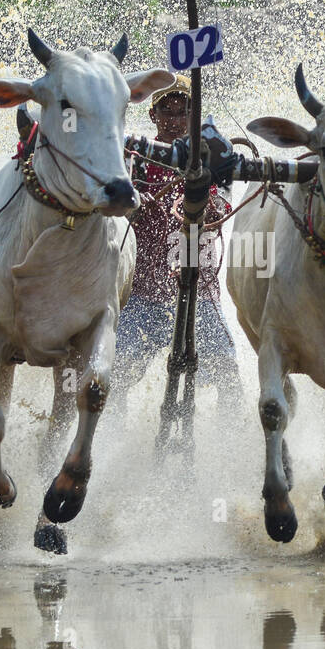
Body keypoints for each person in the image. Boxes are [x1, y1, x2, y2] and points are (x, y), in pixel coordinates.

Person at [113, 76, 241, 410]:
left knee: (228, 374)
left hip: (199, 294)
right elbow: (119, 205)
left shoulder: (214, 159)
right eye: (166, 111)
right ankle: (103, 450)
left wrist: (203, 193)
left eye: (184, 111)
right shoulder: (134, 157)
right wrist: (138, 202)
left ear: (195, 117)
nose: (174, 120)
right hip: (143, 295)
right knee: (110, 379)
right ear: (152, 114)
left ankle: (234, 442)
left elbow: (221, 208)